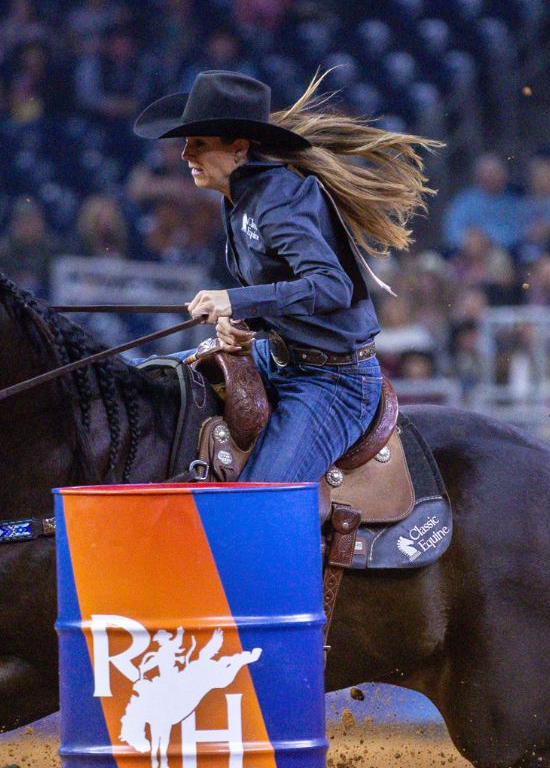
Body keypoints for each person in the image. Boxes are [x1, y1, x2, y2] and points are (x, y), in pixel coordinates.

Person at [133, 70, 438, 483]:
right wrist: (244, 323)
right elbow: (287, 290)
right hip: (281, 358)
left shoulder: (276, 199)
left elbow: (332, 286)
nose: (186, 154)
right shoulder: (241, 198)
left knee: (262, 497)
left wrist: (235, 302)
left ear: (238, 148)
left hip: (334, 381)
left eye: (199, 143)